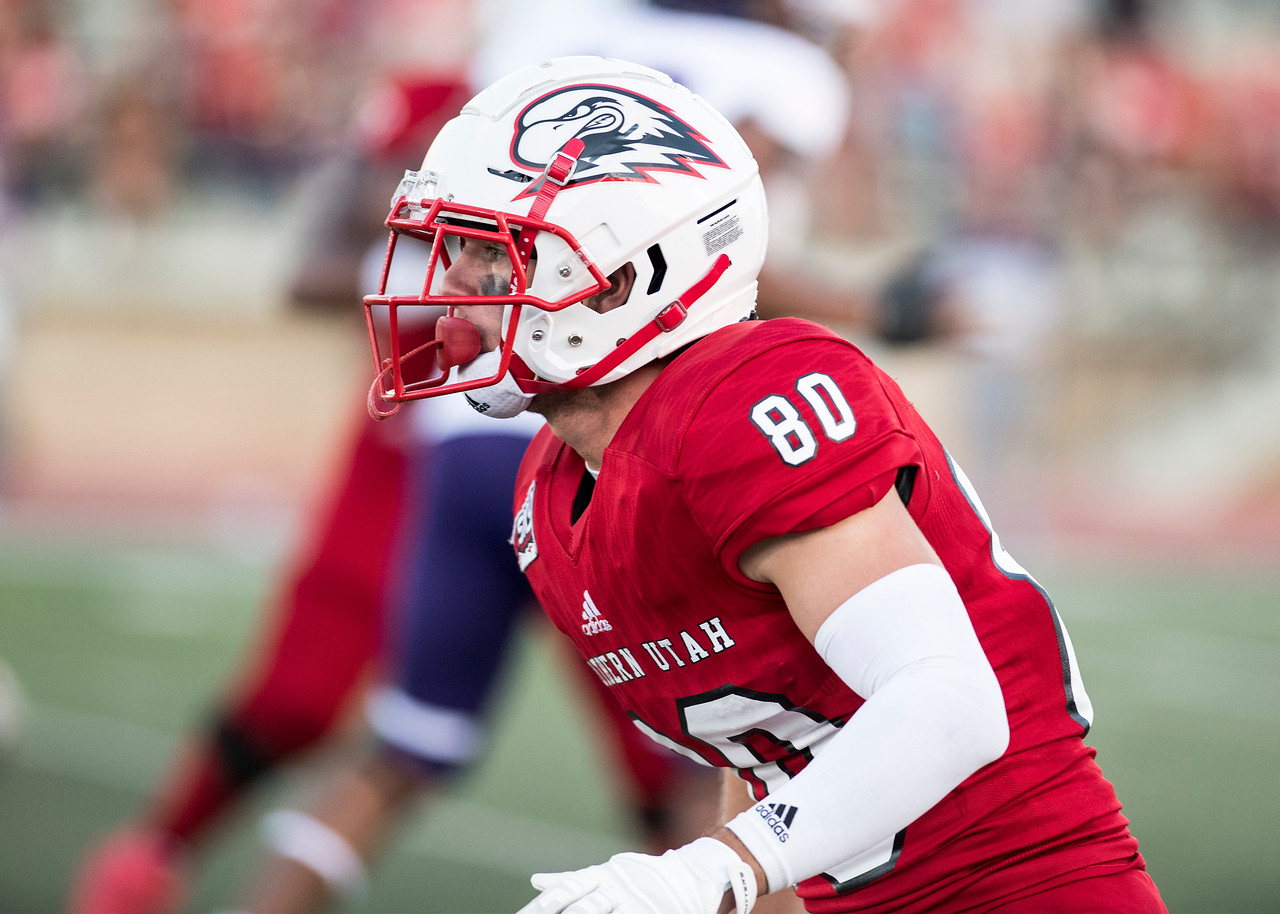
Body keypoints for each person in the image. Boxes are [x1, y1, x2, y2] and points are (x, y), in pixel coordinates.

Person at [365, 56, 1165, 913]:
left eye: (487, 254)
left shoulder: (748, 400)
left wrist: (706, 872)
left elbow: (947, 699)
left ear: (619, 279)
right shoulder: (550, 491)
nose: (446, 289)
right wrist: (741, 886)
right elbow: (760, 757)